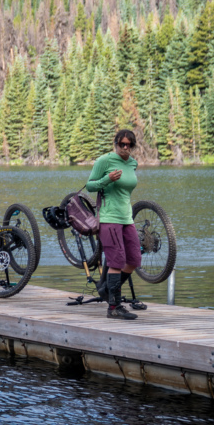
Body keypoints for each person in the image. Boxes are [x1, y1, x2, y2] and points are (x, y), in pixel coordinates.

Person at [87, 128, 143, 321]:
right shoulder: (105, 161)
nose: (125, 148)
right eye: (122, 144)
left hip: (127, 218)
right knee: (117, 262)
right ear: (116, 144)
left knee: (134, 260)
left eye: (129, 145)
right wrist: (107, 179)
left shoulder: (133, 163)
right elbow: (90, 185)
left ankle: (106, 290)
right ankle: (113, 307)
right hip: (109, 217)